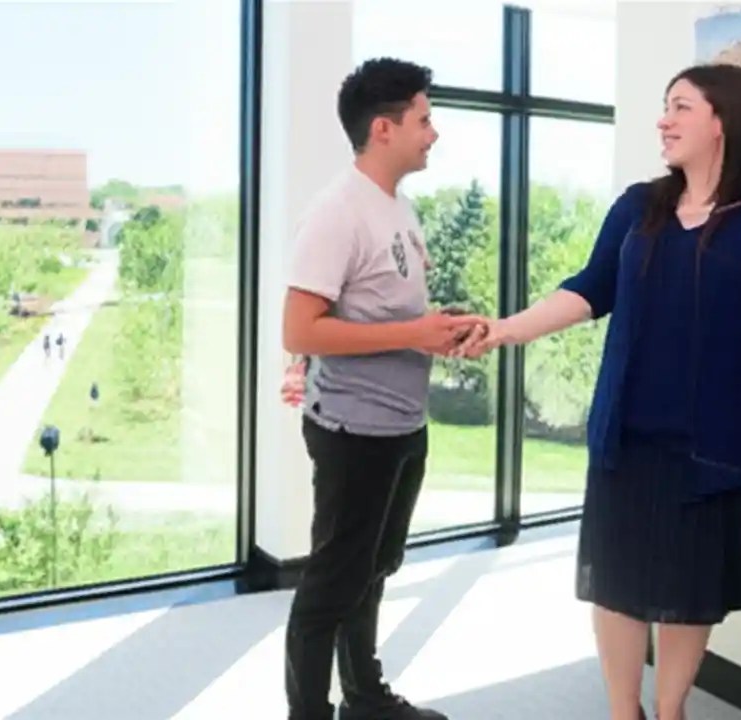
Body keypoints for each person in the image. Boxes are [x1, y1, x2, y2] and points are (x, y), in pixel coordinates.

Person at [456, 63, 741, 720]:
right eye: (664, 106)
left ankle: (672, 707)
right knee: (618, 583)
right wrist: (504, 330)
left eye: (680, 107)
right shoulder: (639, 205)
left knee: (692, 588)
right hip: (626, 430)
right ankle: (624, 711)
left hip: (715, 441)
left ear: (723, 119)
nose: (664, 119)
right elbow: (589, 288)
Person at [280, 57, 481, 720]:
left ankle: (364, 698)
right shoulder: (337, 212)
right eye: (424, 119)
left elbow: (390, 315)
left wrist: (437, 327)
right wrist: (412, 335)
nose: (434, 132)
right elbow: (300, 330)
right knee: (330, 586)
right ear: (383, 128)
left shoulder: (398, 207)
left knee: (376, 567)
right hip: (352, 431)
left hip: (402, 425)